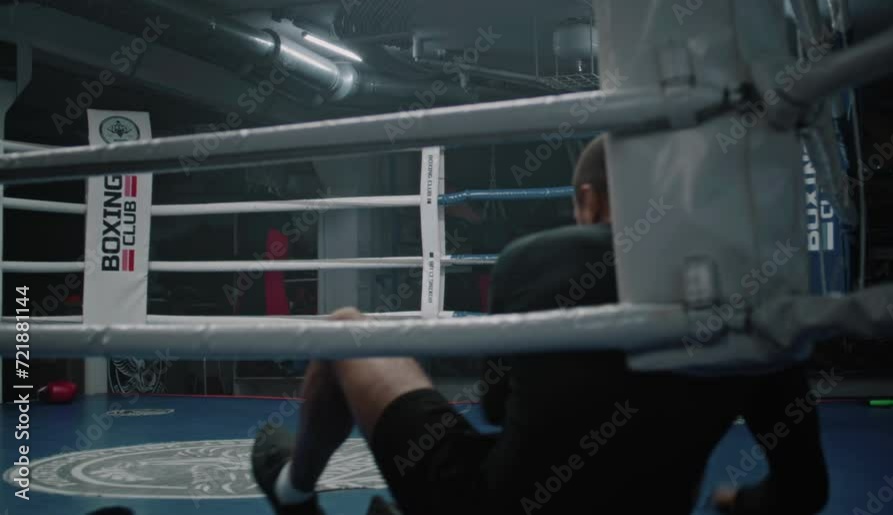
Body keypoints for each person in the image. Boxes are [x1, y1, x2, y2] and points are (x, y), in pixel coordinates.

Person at [252, 135, 829, 515]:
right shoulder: (750, 292)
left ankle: (293, 492)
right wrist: (740, 504)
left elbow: (497, 408)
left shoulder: (536, 257)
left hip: (490, 505)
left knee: (346, 329)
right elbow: (806, 489)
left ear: (588, 200)